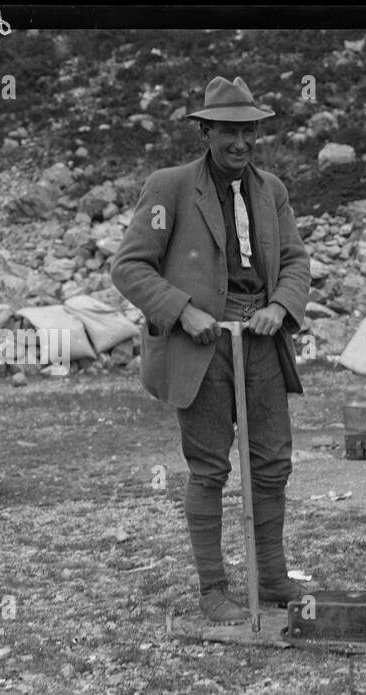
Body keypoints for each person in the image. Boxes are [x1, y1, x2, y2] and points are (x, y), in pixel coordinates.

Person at [112, 76, 312, 623]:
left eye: (248, 132)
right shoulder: (170, 186)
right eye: (227, 131)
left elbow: (295, 260)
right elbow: (129, 266)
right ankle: (213, 590)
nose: (240, 144)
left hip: (263, 343)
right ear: (205, 131)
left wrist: (280, 307)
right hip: (200, 347)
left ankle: (271, 578)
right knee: (208, 470)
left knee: (272, 464)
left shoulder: (271, 190)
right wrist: (182, 310)